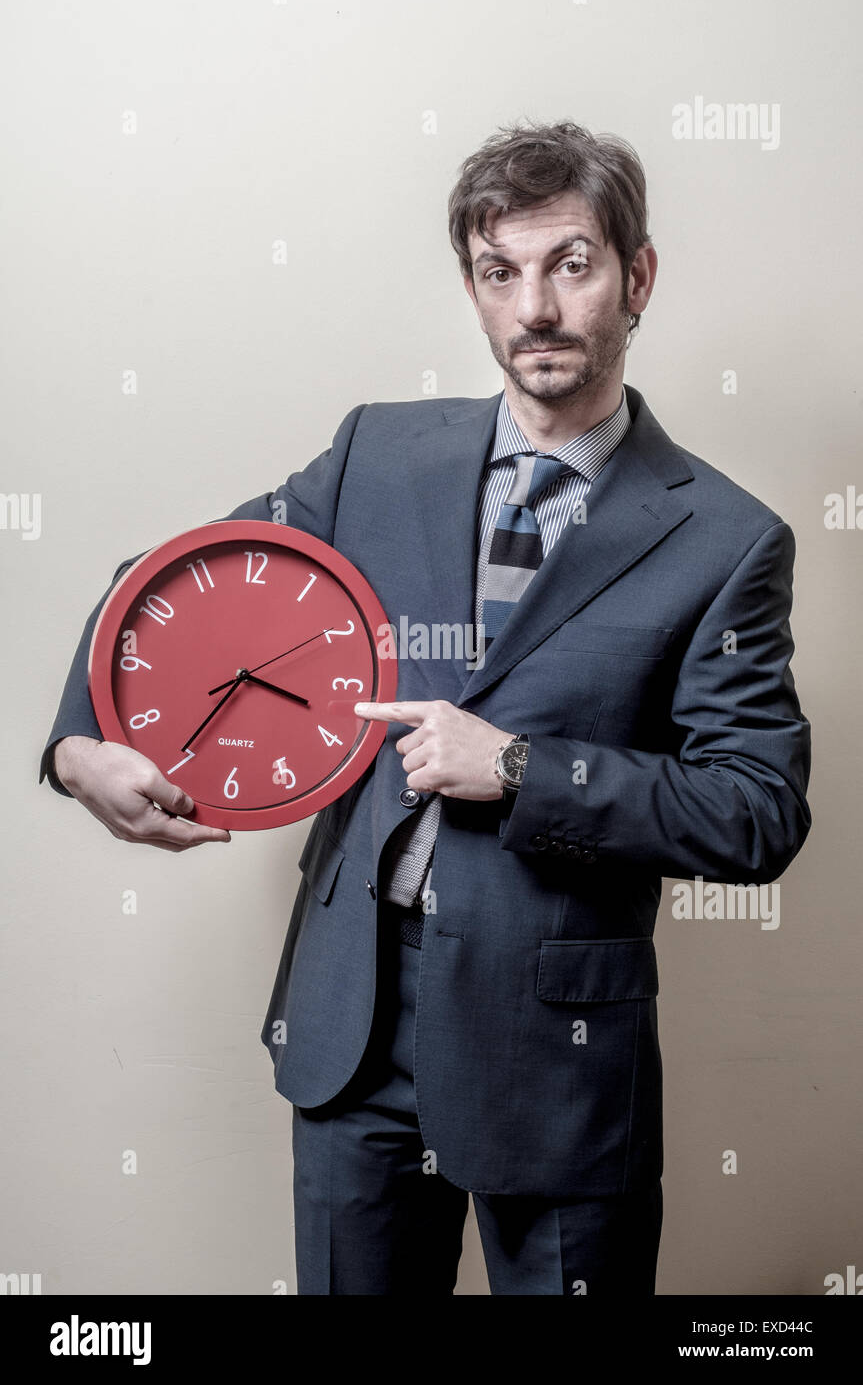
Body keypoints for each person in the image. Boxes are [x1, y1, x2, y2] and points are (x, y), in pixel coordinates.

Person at [40, 120, 811, 1295]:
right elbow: (174, 587)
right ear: (471, 283)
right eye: (499, 272)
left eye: (571, 263)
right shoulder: (374, 457)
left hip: (554, 1059)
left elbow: (755, 810)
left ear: (636, 275)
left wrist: (520, 769)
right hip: (351, 1030)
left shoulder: (721, 537)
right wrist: (78, 744)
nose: (535, 308)